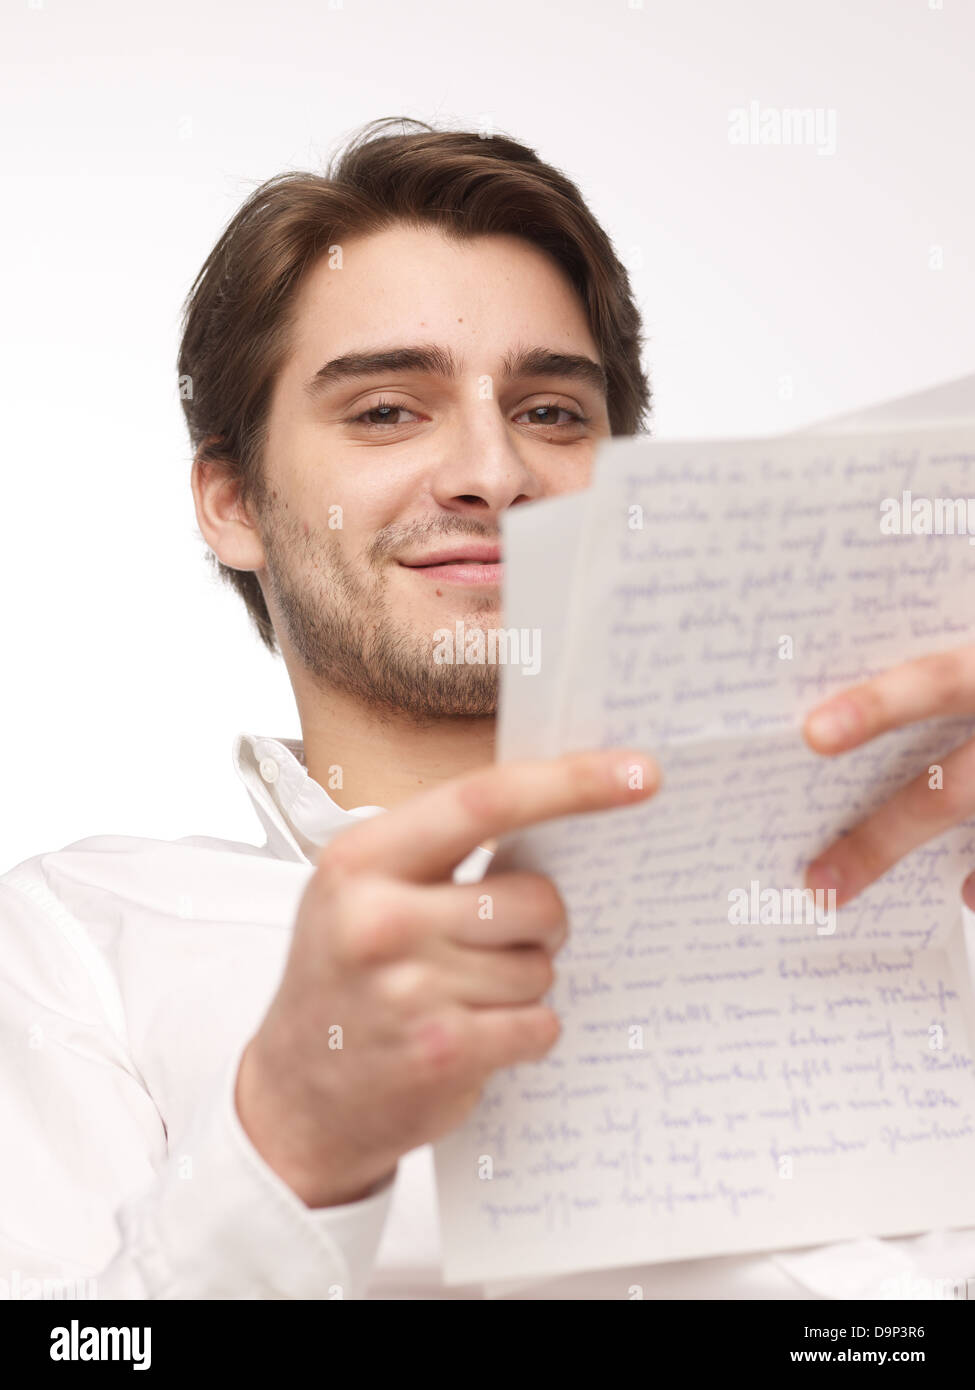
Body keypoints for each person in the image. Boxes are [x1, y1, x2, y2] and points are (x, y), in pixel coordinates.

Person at [2, 117, 972, 1302]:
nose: (492, 472)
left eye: (552, 413)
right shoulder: (72, 946)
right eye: (386, 411)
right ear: (232, 501)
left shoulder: (925, 881)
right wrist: (288, 1146)